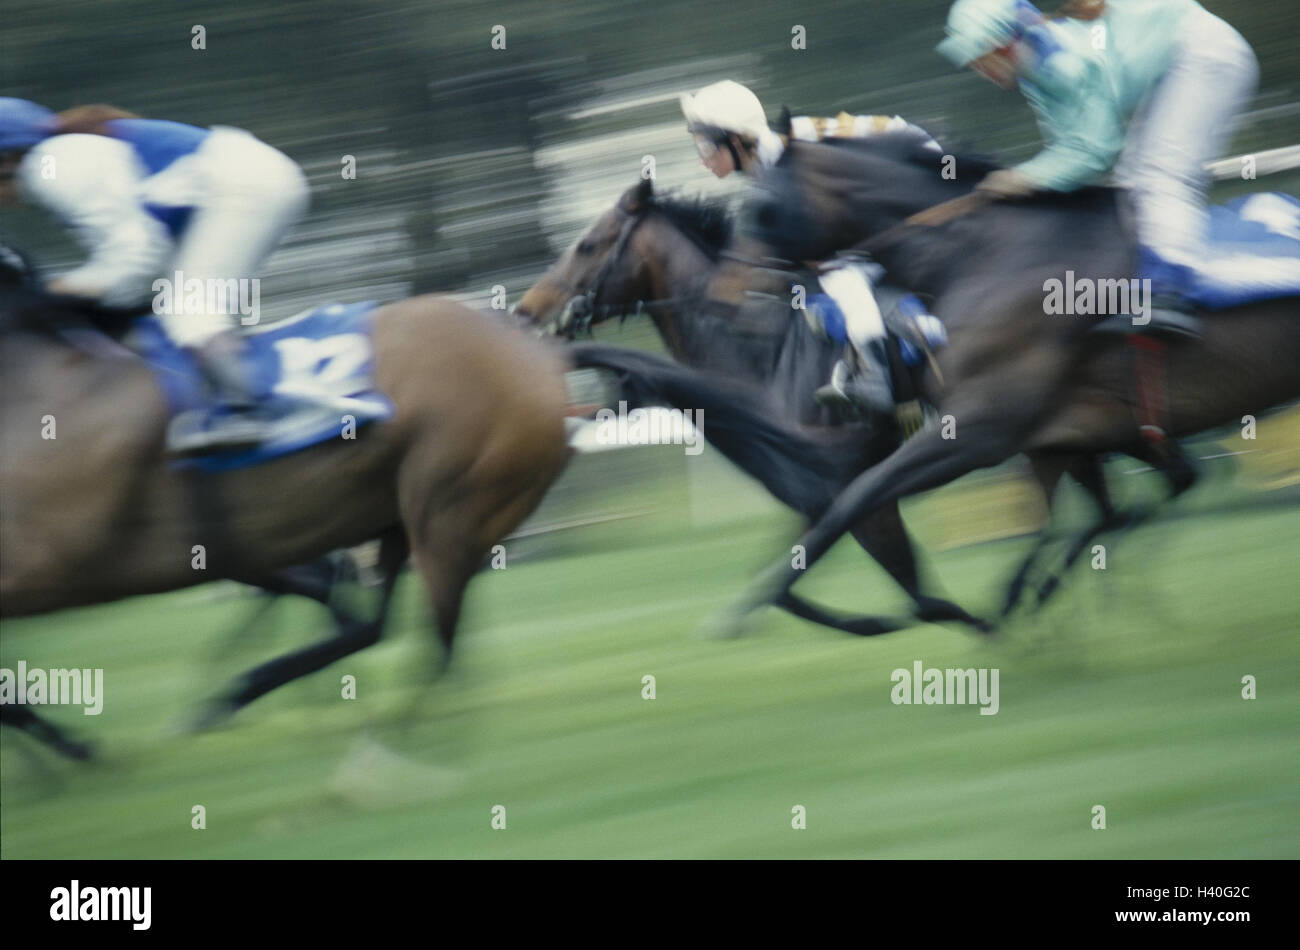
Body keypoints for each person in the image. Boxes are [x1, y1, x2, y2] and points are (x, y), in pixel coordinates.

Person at [0, 99, 310, 452]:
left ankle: (242, 413)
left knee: (190, 306)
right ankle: (225, 386)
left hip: (247, 187)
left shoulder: (49, 168)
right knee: (181, 304)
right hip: (249, 180)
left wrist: (67, 289)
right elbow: (142, 261)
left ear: (7, 159)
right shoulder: (59, 161)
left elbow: (137, 253)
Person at [936, 0, 1260, 330]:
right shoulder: (1034, 69)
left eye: (980, 59)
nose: (979, 70)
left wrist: (1022, 178)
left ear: (1004, 45)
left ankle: (1169, 294)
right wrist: (1026, 178)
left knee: (1160, 175)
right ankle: (1149, 280)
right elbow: (1072, 148)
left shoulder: (1064, 63)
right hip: (1176, 64)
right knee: (1133, 180)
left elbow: (1095, 152)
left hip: (1207, 56)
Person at [680, 79, 940, 413]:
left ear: (733, 139)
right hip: (884, 203)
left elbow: (900, 135)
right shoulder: (765, 172)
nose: (703, 160)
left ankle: (880, 372)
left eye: (705, 147)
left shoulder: (797, 146)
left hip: (921, 179)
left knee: (838, 273)